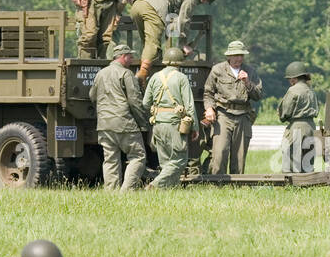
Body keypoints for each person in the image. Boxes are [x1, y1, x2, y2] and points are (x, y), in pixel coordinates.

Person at [129, 0, 218, 80]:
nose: (203, 3)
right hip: (152, 7)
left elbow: (172, 18)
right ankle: (142, 76)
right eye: (205, 0)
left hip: (137, 4)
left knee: (146, 43)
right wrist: (183, 44)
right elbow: (184, 18)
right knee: (152, 44)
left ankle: (145, 71)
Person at [89, 40, 149, 190]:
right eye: (129, 56)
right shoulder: (126, 74)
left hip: (104, 125)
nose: (131, 59)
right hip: (124, 123)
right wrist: (143, 123)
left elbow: (92, 96)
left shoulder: (100, 73)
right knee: (138, 156)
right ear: (122, 56)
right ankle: (127, 191)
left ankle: (111, 191)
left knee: (110, 159)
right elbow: (135, 101)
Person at [204, 41, 263, 175]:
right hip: (223, 115)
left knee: (239, 156)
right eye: (236, 55)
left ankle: (237, 186)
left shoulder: (250, 71)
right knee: (220, 152)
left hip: (243, 115)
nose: (239, 58)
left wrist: (247, 82)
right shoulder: (218, 70)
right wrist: (209, 108)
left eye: (241, 55)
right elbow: (208, 93)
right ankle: (218, 184)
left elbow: (258, 95)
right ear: (229, 56)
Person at [142, 46, 195, 188]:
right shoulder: (181, 78)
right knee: (180, 160)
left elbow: (146, 103)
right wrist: (194, 127)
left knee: (165, 162)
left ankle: (170, 191)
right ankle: (156, 185)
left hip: (158, 125)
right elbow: (189, 105)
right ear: (179, 62)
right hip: (175, 125)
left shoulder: (154, 77)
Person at [278, 60, 320, 174]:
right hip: (311, 126)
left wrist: (282, 117)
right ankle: (308, 183)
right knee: (308, 159)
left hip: (297, 126)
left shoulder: (293, 90)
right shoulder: (311, 91)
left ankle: (291, 185)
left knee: (291, 158)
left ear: (293, 79)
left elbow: (285, 110)